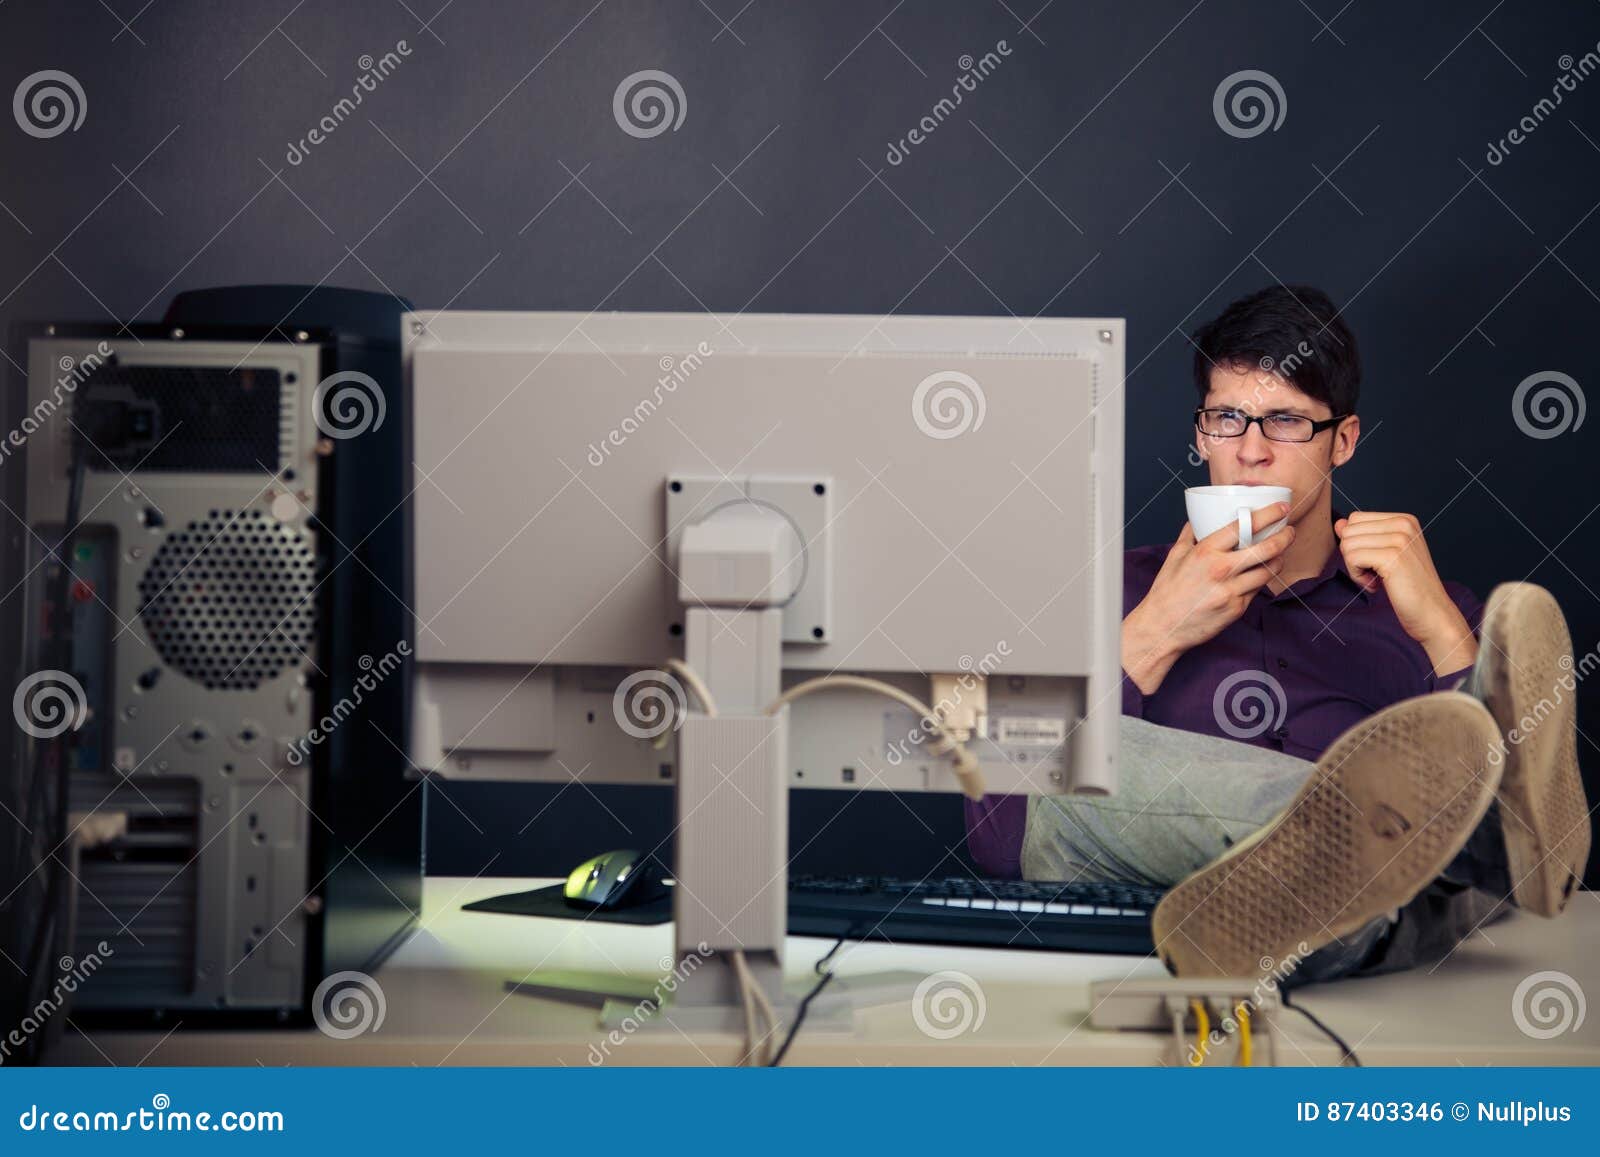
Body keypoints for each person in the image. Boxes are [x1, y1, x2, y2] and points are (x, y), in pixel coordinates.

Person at [964, 284, 1591, 984]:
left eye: (1287, 421)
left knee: (1370, 885)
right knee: (1072, 775)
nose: (1251, 451)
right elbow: (1000, 837)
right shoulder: (1099, 594)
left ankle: (1398, 863)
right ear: (1201, 433)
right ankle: (1421, 844)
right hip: (1148, 928)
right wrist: (1150, 634)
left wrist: (1444, 632)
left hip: (1288, 935)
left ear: (1342, 441)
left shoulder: (1423, 605)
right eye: (1228, 417)